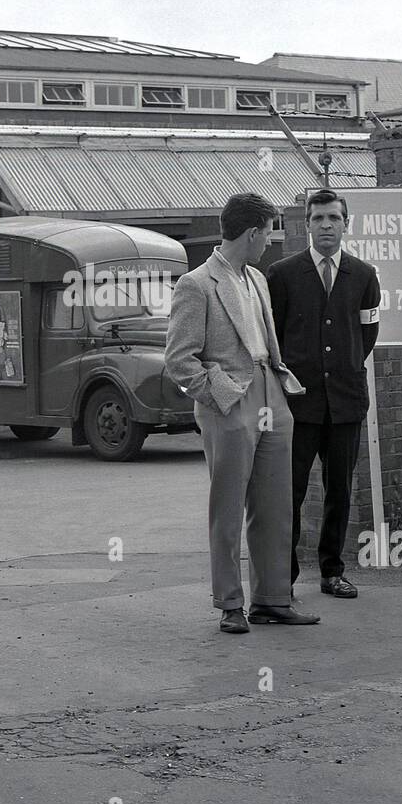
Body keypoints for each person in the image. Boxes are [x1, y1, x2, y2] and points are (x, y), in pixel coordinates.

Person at [164, 193, 320, 634]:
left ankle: (271, 600)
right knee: (228, 507)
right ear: (252, 233)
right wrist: (221, 395)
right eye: (267, 233)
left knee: (275, 505)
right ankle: (230, 603)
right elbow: (179, 359)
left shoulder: (257, 279)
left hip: (273, 392)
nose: (269, 242)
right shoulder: (196, 284)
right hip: (230, 400)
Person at [268, 188, 381, 598]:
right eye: (318, 218)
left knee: (340, 491)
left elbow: (367, 333)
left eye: (334, 218)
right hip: (299, 404)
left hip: (345, 403)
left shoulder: (364, 275)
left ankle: (333, 571)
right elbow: (274, 337)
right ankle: (283, 578)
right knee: (290, 492)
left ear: (346, 224)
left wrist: (343, 368)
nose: (326, 225)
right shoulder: (282, 274)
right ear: (307, 224)